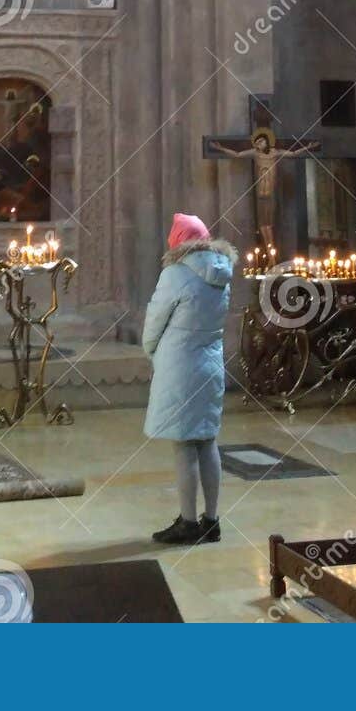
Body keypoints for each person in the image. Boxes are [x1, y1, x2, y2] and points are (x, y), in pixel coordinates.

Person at [142, 212, 237, 546]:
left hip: (180, 365)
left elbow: (155, 318)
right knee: (207, 440)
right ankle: (212, 521)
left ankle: (188, 522)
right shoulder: (223, 272)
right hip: (210, 364)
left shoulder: (176, 273)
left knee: (183, 443)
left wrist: (150, 350)